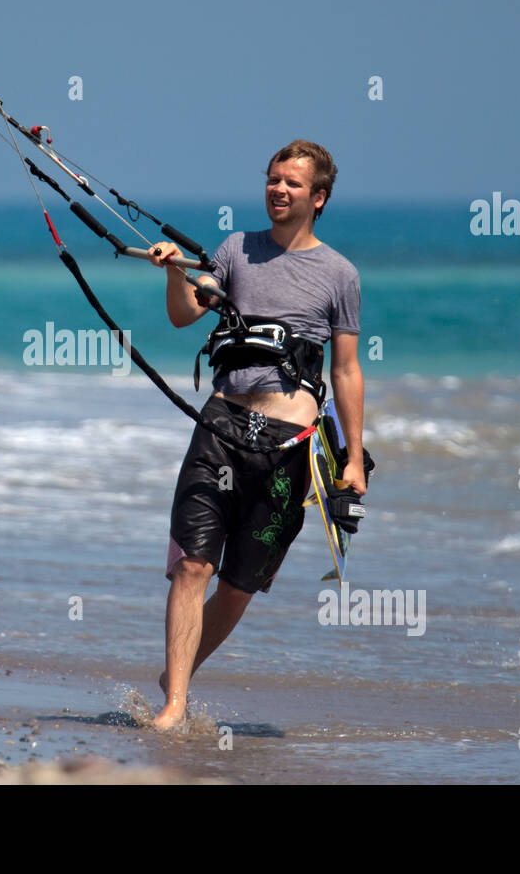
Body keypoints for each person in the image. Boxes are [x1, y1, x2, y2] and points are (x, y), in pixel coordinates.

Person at [148, 139, 365, 730]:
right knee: (193, 566)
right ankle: (175, 704)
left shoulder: (339, 275)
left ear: (318, 197)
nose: (278, 189)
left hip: (288, 447)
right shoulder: (235, 250)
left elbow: (346, 370)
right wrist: (174, 271)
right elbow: (185, 313)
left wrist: (354, 462)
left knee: (240, 585)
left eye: (292, 183)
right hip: (220, 426)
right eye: (272, 179)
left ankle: (178, 673)